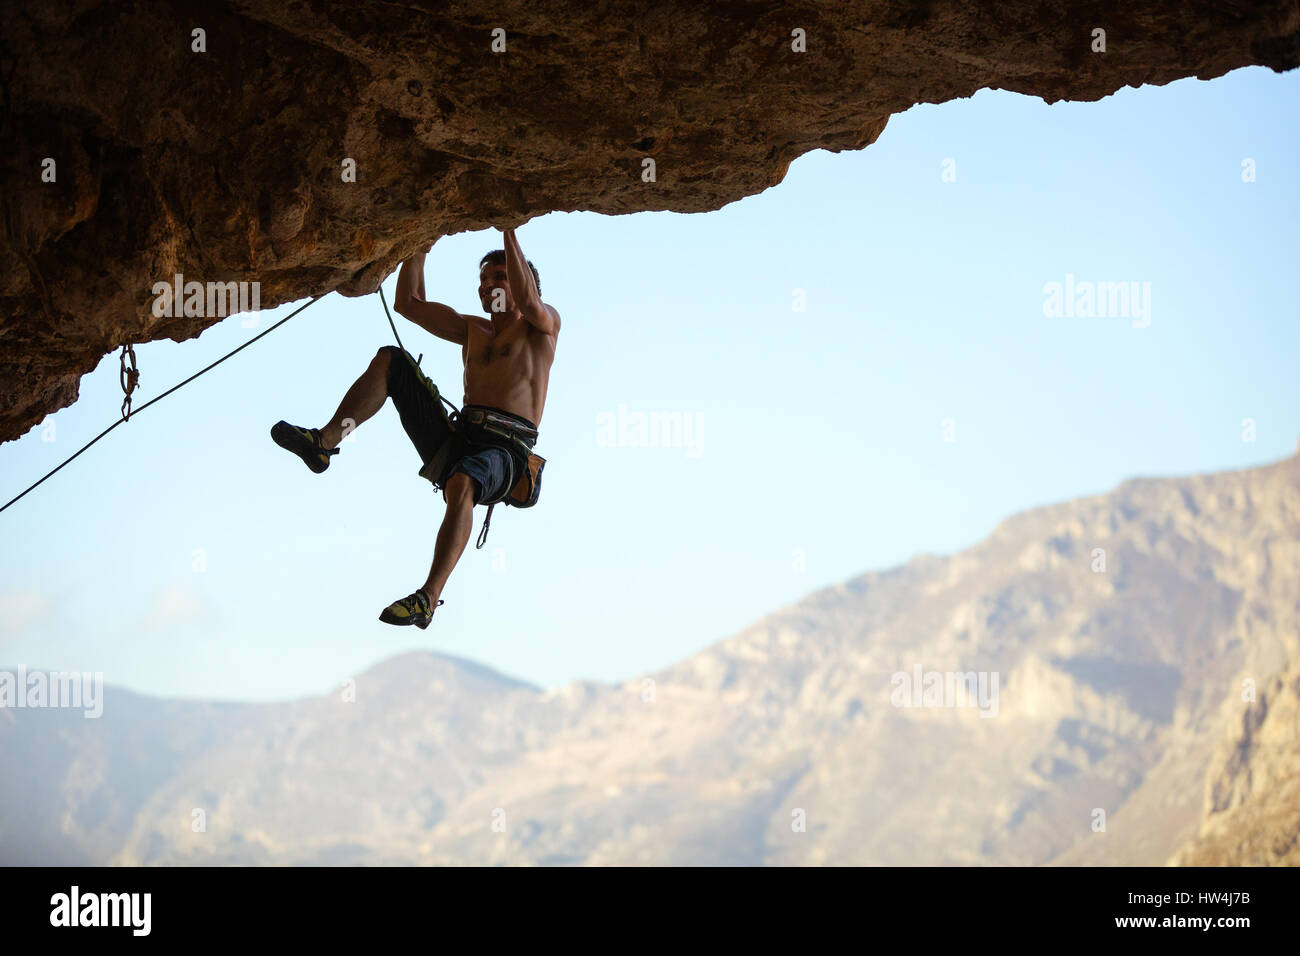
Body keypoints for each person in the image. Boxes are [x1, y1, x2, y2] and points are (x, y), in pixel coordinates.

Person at [271, 227, 560, 629]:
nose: (487, 285)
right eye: (483, 279)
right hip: (460, 437)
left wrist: (509, 226)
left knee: (463, 481)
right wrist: (417, 240)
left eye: (499, 277)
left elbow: (529, 300)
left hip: (505, 450)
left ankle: (428, 596)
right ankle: (322, 443)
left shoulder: (542, 326)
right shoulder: (473, 330)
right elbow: (408, 303)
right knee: (392, 360)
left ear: (522, 281)